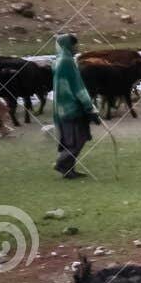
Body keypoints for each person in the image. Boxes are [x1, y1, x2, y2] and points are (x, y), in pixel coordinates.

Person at [51, 33, 97, 178]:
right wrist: (89, 106)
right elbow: (78, 87)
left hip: (61, 108)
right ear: (68, 46)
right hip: (72, 107)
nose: (77, 47)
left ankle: (69, 169)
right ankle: (62, 164)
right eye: (74, 45)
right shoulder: (67, 62)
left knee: (70, 139)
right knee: (78, 138)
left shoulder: (58, 61)